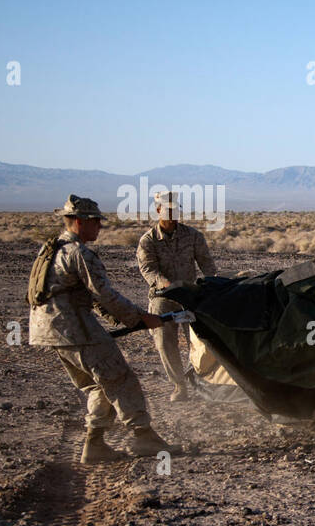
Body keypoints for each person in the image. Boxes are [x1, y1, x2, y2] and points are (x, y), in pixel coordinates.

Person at [29, 195, 176, 463]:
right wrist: (140, 318)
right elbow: (104, 295)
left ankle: (94, 446)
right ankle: (143, 437)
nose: (99, 226)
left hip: (48, 329)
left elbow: (90, 297)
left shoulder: (51, 248)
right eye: (95, 221)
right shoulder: (79, 253)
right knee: (120, 377)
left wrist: (127, 319)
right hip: (74, 328)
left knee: (100, 385)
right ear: (78, 222)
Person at [136, 190, 217, 401]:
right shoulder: (148, 241)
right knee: (165, 342)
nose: (172, 215)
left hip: (189, 295)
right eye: (168, 211)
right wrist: (167, 285)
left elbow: (207, 264)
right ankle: (179, 385)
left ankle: (201, 379)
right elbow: (149, 271)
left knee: (200, 338)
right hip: (162, 298)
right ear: (158, 210)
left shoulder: (193, 236)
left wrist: (214, 285)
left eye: (175, 211)